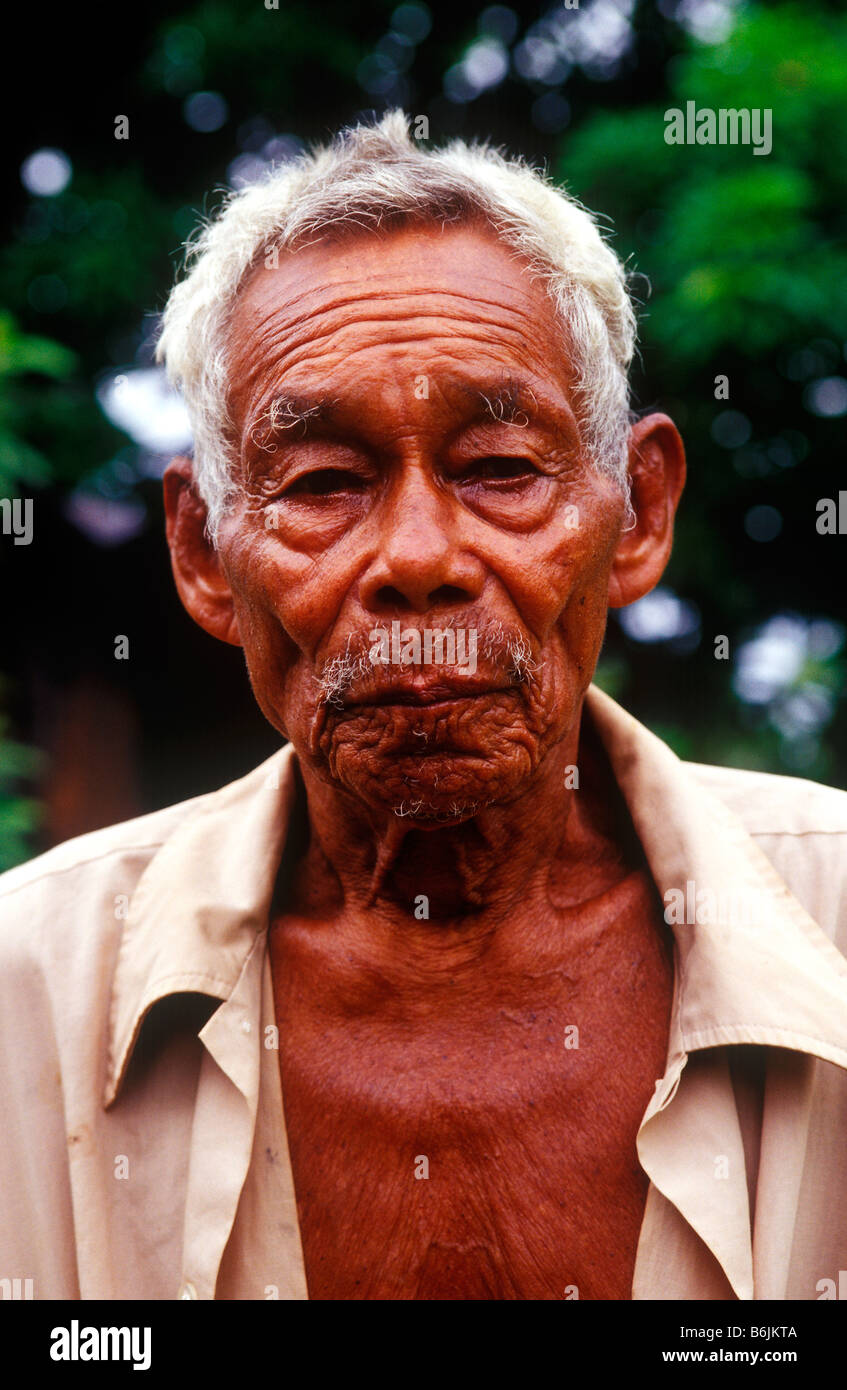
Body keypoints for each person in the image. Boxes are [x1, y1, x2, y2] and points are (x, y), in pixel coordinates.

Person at [1, 110, 846, 1302]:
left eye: (500, 469)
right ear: (200, 556)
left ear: (640, 516)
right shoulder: (23, 993)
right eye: (323, 483)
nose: (416, 555)